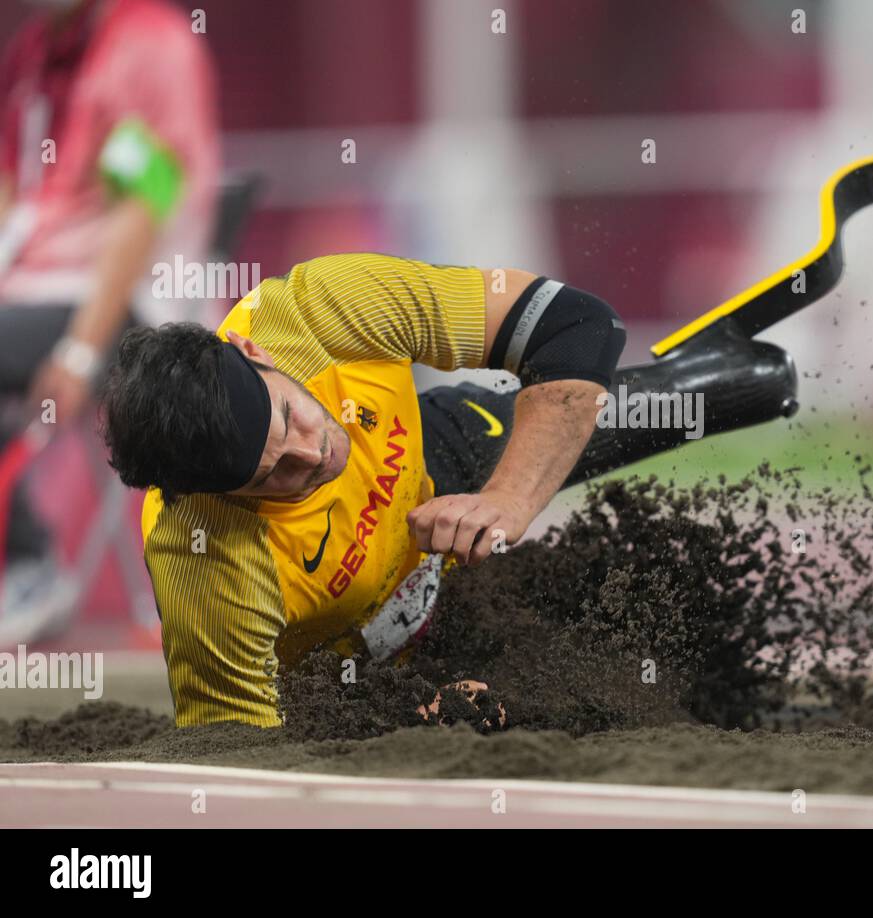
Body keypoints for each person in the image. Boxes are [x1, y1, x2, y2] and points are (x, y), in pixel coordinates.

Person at [100, 253, 628, 727]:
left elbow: (581, 327)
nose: (314, 455)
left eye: (290, 415)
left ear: (252, 350)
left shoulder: (323, 308)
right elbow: (248, 765)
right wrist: (405, 714)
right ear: (216, 498)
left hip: (438, 469)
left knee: (643, 402)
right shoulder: (208, 577)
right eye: (273, 475)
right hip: (370, 671)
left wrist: (509, 498)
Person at [0, 0, 219, 638]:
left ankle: (29, 560)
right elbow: (15, 189)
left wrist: (78, 350)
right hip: (33, 289)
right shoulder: (35, 48)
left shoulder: (149, 45)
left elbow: (144, 206)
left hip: (127, 302)